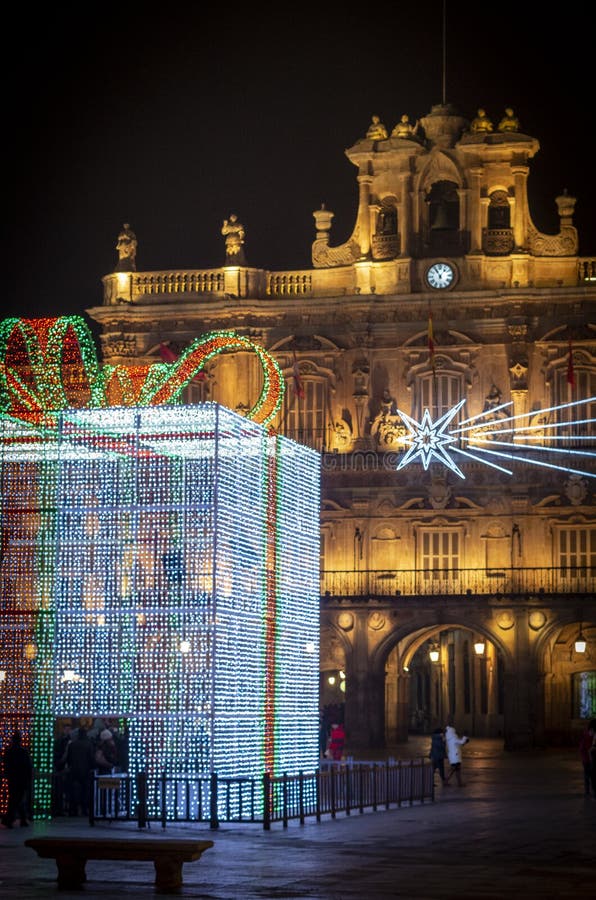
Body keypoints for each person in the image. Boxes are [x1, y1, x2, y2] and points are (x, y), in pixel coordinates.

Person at [1, 730, 33, 828]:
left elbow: (5, 765)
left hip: (12, 779)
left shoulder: (8, 751)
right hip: (22, 779)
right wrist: (29, 778)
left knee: (14, 799)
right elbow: (28, 766)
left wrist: (6, 775)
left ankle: (12, 819)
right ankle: (16, 819)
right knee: (19, 799)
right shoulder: (23, 752)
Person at [65, 726, 95, 816]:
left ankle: (72, 809)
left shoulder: (72, 744)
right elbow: (91, 758)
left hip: (74, 771)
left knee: (73, 791)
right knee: (85, 791)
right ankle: (84, 809)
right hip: (85, 771)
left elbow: (68, 758)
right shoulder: (89, 744)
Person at [444, 720, 469, 786]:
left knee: (457, 769)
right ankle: (446, 780)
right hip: (455, 755)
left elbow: (458, 744)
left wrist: (464, 740)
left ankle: (458, 782)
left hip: (453, 755)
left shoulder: (449, 736)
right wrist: (465, 736)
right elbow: (461, 742)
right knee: (454, 769)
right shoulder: (453, 736)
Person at [579, 718, 596, 797]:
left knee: (591, 775)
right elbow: (584, 749)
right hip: (586, 759)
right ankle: (587, 791)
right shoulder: (586, 735)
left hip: (590, 758)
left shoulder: (591, 735)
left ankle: (590, 790)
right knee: (587, 775)